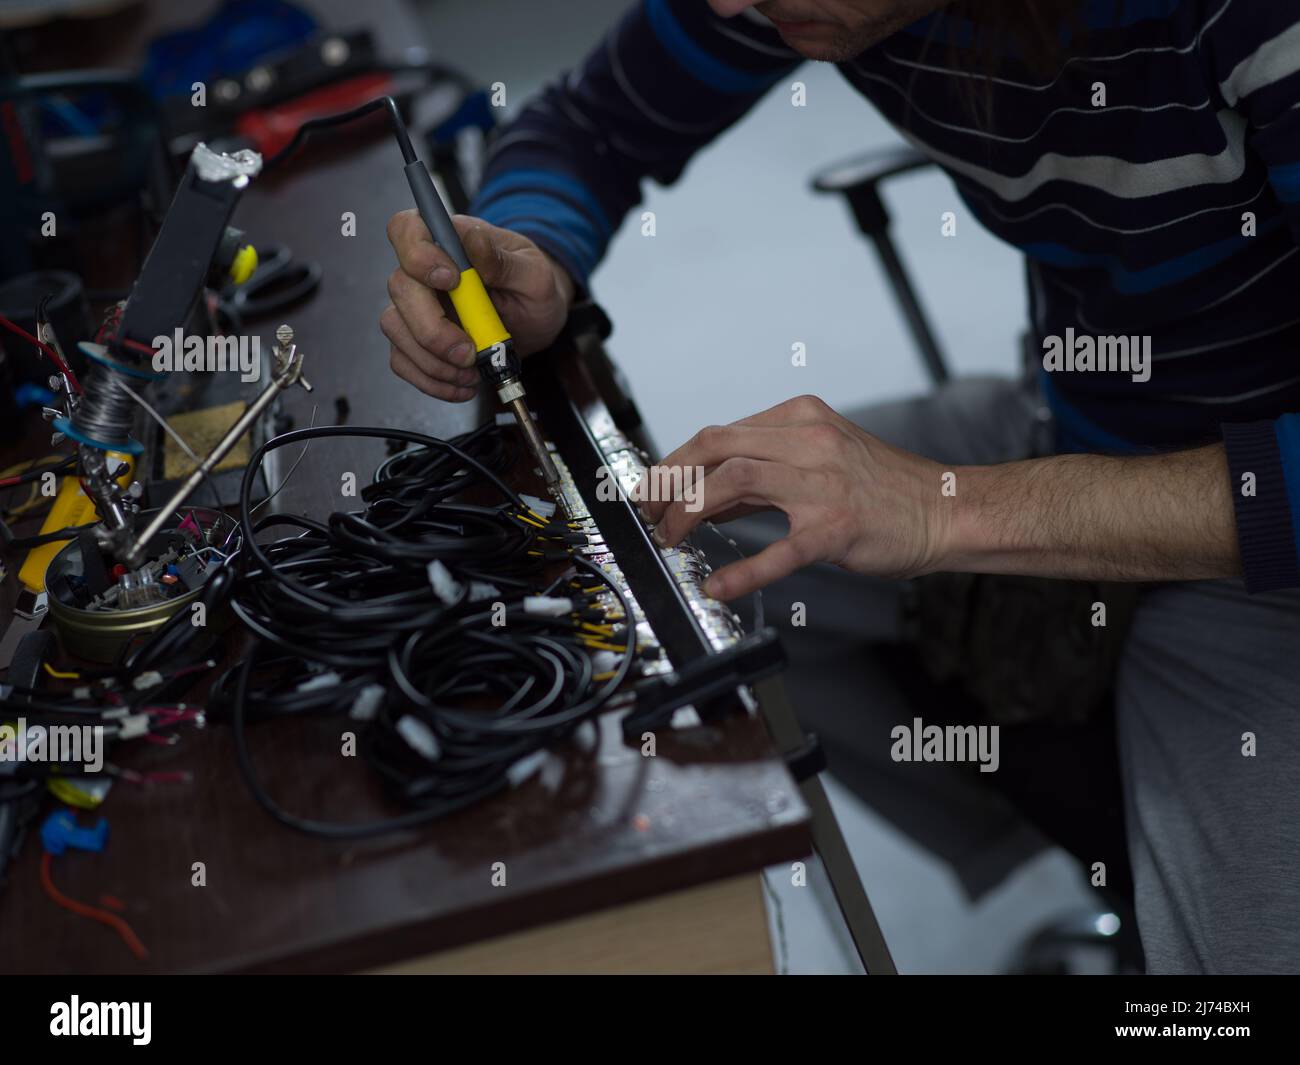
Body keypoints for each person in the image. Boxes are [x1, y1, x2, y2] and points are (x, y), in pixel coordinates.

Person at [382, 0, 1300, 974]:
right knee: (686, 562)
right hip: (1086, 422)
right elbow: (592, 123)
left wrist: (957, 509)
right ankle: (1078, 863)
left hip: (1264, 542)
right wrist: (533, 250)